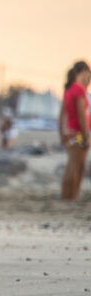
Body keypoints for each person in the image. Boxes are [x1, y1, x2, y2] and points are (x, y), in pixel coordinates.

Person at [59, 60, 90, 201]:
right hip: (78, 132)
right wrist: (85, 135)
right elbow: (81, 115)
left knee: (71, 166)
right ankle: (73, 196)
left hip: (69, 132)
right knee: (78, 167)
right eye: (87, 75)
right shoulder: (79, 89)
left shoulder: (68, 89)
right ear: (83, 72)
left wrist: (61, 133)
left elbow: (62, 116)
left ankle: (66, 195)